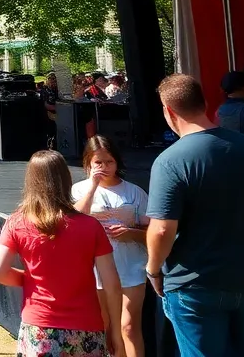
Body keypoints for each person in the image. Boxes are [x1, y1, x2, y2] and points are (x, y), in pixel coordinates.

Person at [145, 73, 244, 357]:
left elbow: (162, 229)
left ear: (169, 112)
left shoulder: (170, 161)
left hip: (194, 285)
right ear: (205, 104)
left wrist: (153, 269)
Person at [0, 150, 123, 357]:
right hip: (86, 328)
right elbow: (111, 284)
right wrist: (116, 331)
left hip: (39, 329)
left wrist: (30, 279)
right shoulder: (91, 226)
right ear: (66, 180)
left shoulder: (17, 222)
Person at [73, 136, 149, 357]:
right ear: (88, 164)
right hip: (96, 269)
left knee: (129, 326)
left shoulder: (134, 192)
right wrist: (93, 186)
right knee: (104, 325)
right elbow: (74, 221)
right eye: (98, 162)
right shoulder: (78, 190)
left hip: (131, 266)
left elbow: (153, 231)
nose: (104, 167)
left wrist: (131, 233)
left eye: (109, 162)